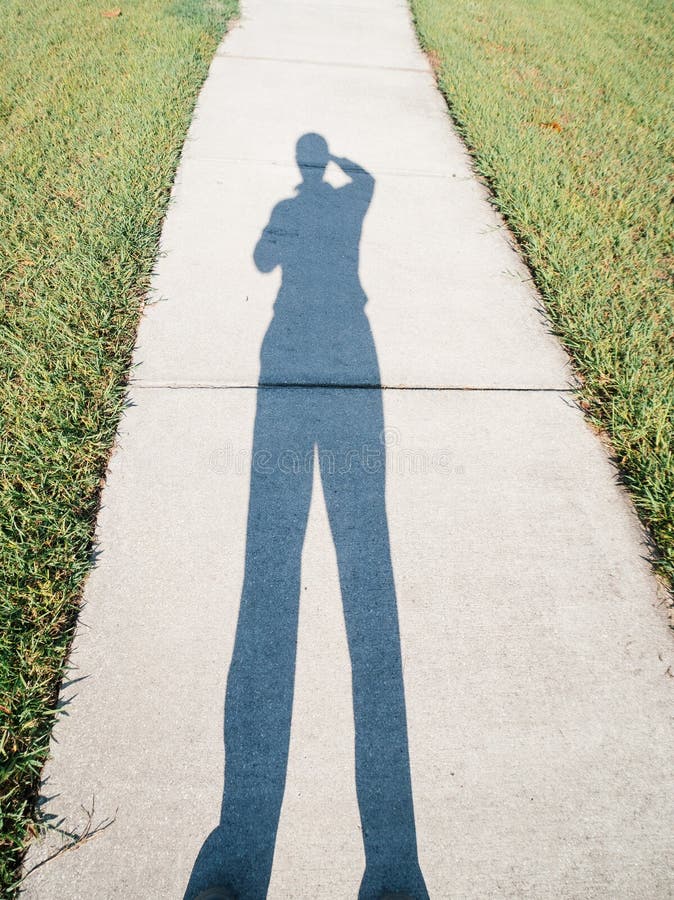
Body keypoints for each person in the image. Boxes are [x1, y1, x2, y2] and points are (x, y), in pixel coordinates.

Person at [188, 135, 427, 900]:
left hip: (290, 336)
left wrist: (287, 216)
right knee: (365, 553)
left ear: (301, 166)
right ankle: (396, 875)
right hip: (351, 336)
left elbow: (262, 263)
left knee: (276, 559)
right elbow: (369, 176)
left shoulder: (291, 208)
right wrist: (342, 163)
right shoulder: (347, 201)